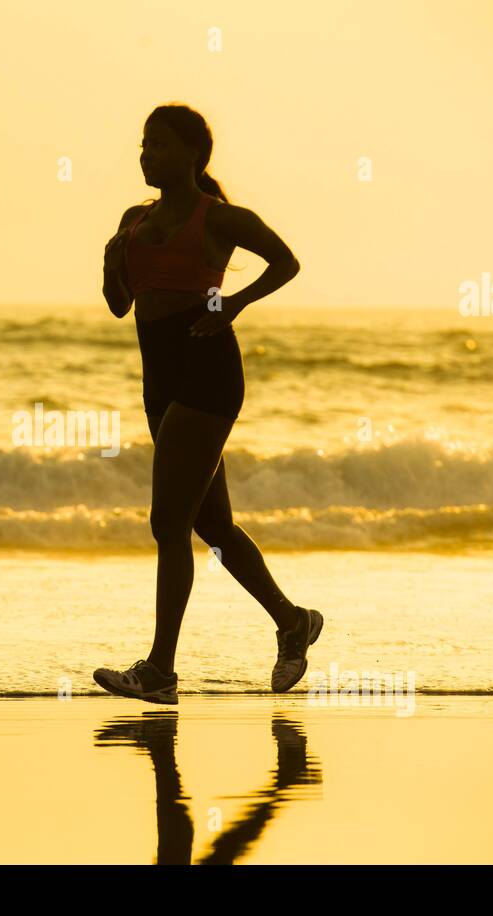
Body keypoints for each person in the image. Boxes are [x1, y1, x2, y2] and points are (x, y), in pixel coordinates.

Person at [93, 104, 322, 705]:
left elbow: (287, 262)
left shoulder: (221, 219)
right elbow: (121, 304)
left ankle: (161, 671)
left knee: (168, 524)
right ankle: (292, 621)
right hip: (159, 377)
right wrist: (112, 262)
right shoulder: (132, 221)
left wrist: (235, 304)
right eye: (143, 145)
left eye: (160, 146)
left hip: (207, 368)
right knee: (211, 526)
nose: (147, 155)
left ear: (193, 153)